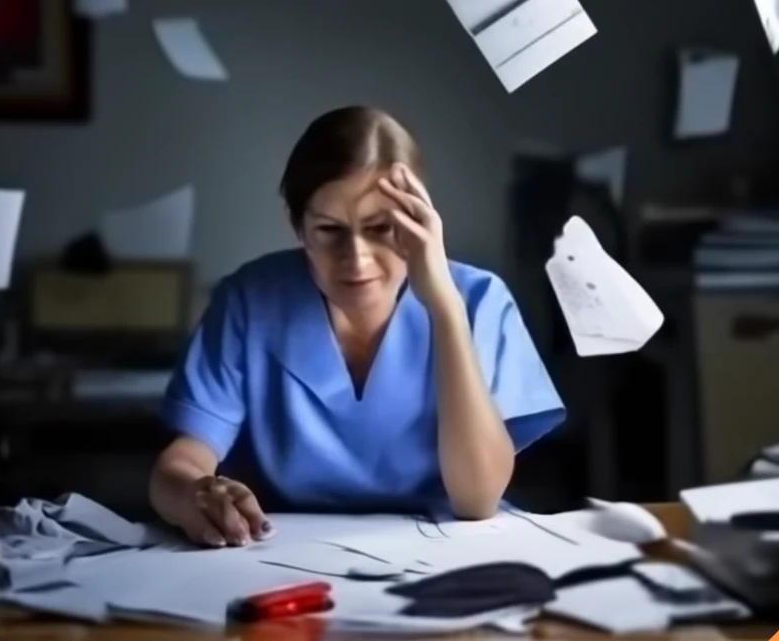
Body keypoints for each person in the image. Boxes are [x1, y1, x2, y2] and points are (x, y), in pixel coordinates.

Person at [149, 106, 565, 547]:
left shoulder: (479, 300)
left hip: (445, 558)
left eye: (381, 227)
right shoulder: (249, 301)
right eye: (330, 230)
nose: (357, 258)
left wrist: (444, 308)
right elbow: (181, 463)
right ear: (298, 226)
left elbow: (477, 499)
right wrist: (197, 494)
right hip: (281, 558)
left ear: (421, 220)